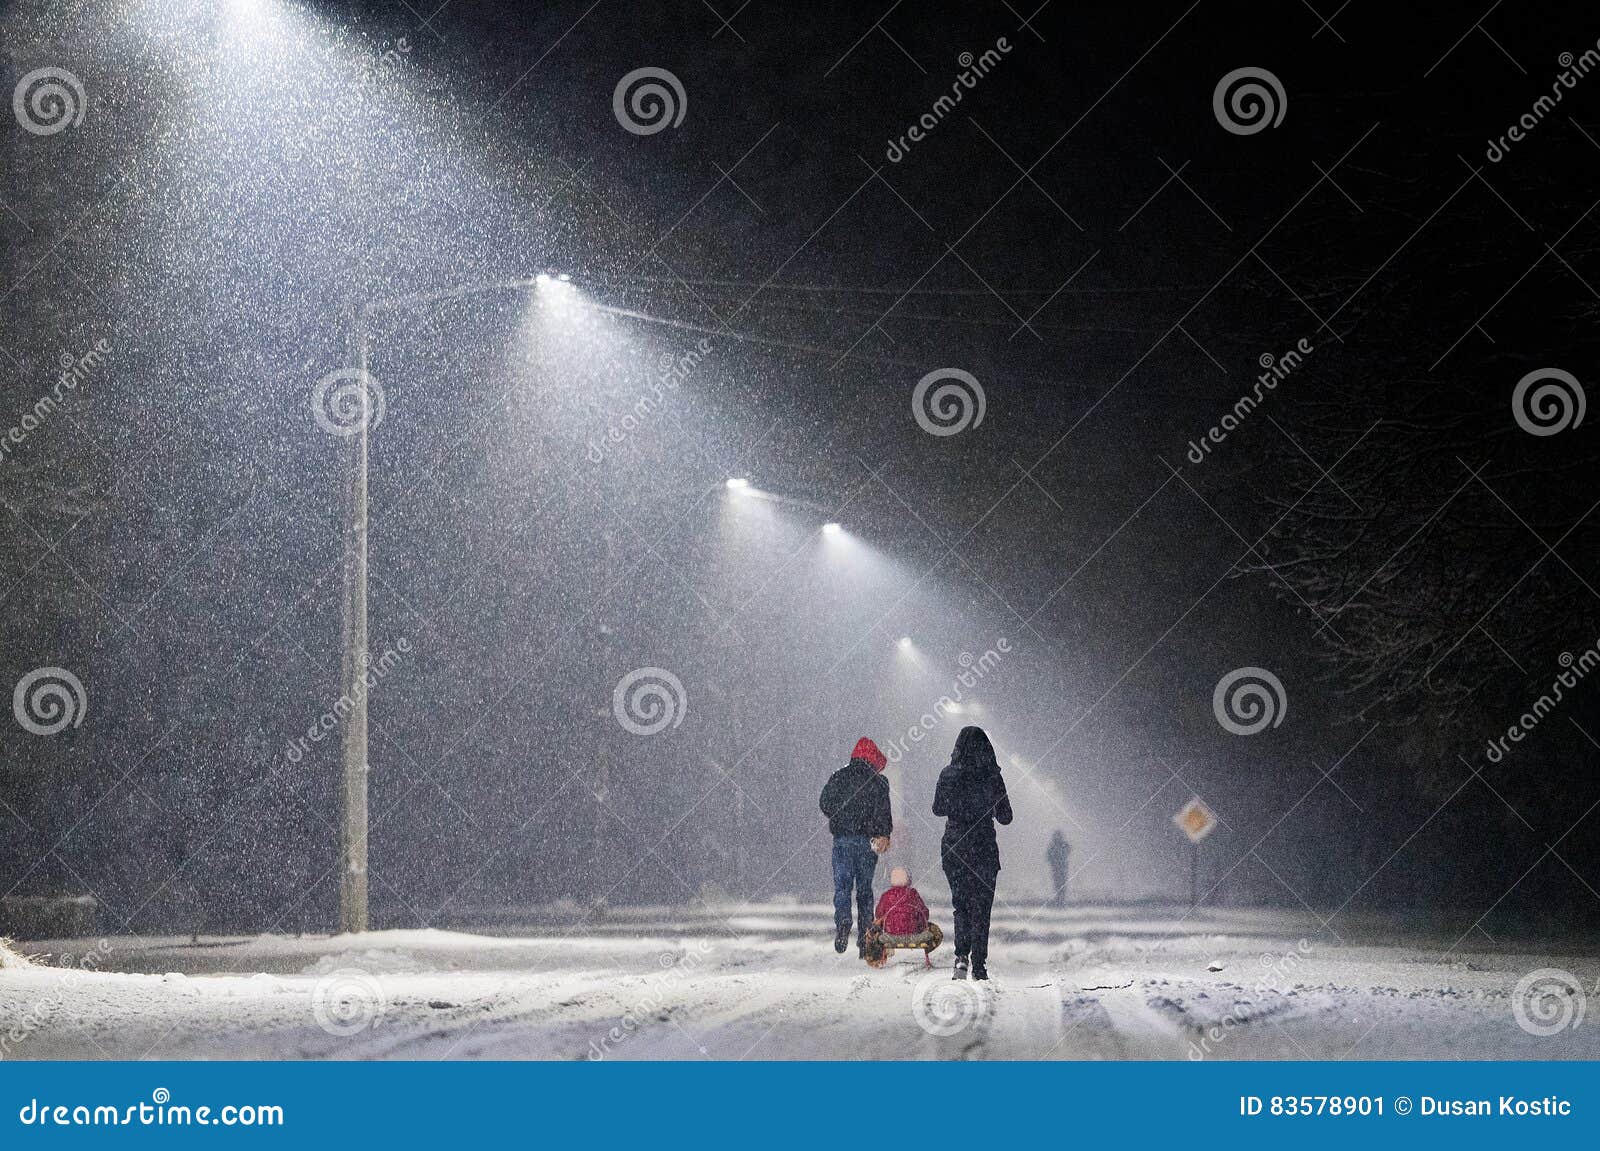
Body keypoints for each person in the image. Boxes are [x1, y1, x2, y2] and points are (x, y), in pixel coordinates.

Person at [932, 726, 1012, 980]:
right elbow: (1006, 817)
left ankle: (960, 958)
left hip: (955, 847)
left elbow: (937, 809)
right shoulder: (992, 776)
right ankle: (979, 964)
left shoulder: (948, 774)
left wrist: (959, 806)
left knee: (961, 904)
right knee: (981, 907)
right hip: (984, 847)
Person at [819, 737, 892, 955]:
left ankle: (843, 921)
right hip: (867, 843)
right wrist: (883, 834)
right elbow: (884, 813)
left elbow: (824, 803)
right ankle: (865, 938)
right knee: (864, 890)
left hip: (842, 840)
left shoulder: (838, 777)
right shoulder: (879, 782)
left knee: (842, 887)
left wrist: (839, 818)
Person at [862, 866, 943, 967]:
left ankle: (875, 959)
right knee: (936, 932)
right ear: (908, 880)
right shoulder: (913, 894)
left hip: (890, 936)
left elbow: (878, 914)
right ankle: (927, 952)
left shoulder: (886, 895)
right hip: (915, 935)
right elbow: (925, 914)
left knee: (872, 931)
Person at [1047, 829, 1071, 908]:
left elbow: (1049, 856)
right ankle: (1060, 900)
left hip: (1058, 868)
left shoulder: (1054, 846)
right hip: (1060, 868)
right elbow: (1068, 851)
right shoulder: (1061, 845)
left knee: (1059, 885)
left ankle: (1060, 900)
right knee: (1060, 885)